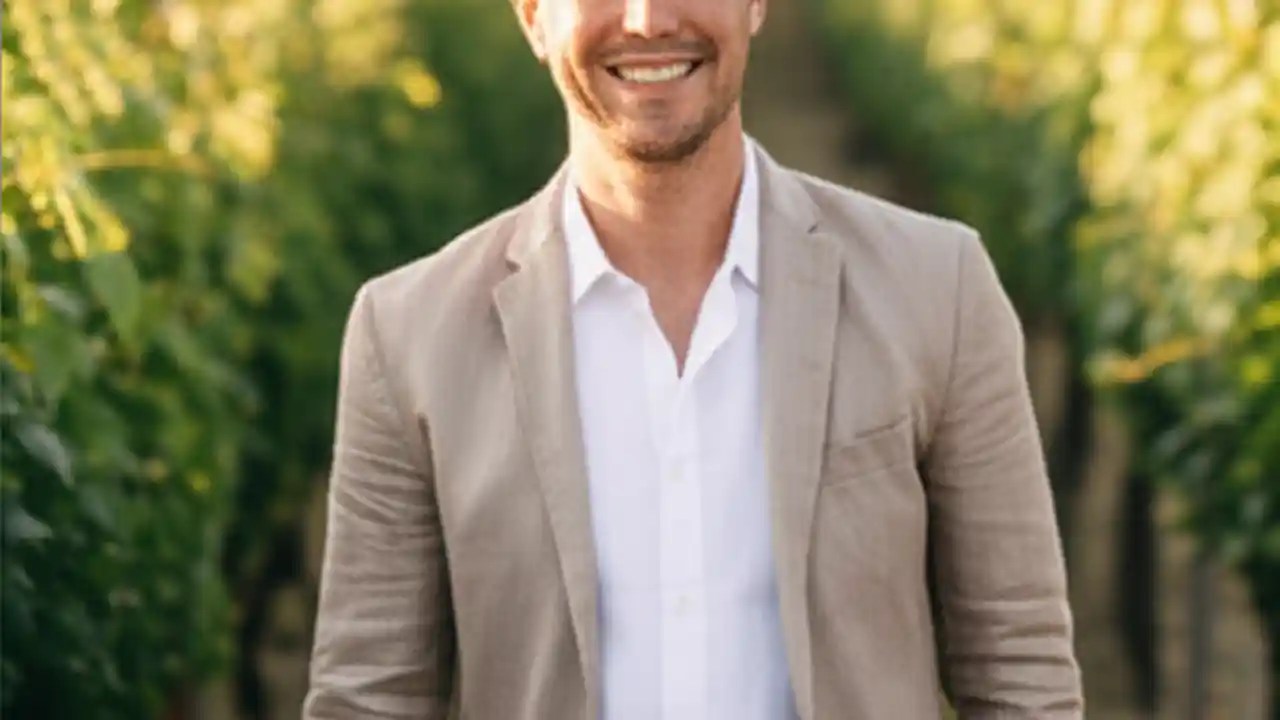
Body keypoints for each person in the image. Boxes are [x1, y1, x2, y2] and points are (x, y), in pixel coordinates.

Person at [302, 0, 1084, 717]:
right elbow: (370, 702)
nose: (646, 20)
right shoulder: (407, 336)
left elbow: (1018, 670)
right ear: (534, 16)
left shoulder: (935, 287)